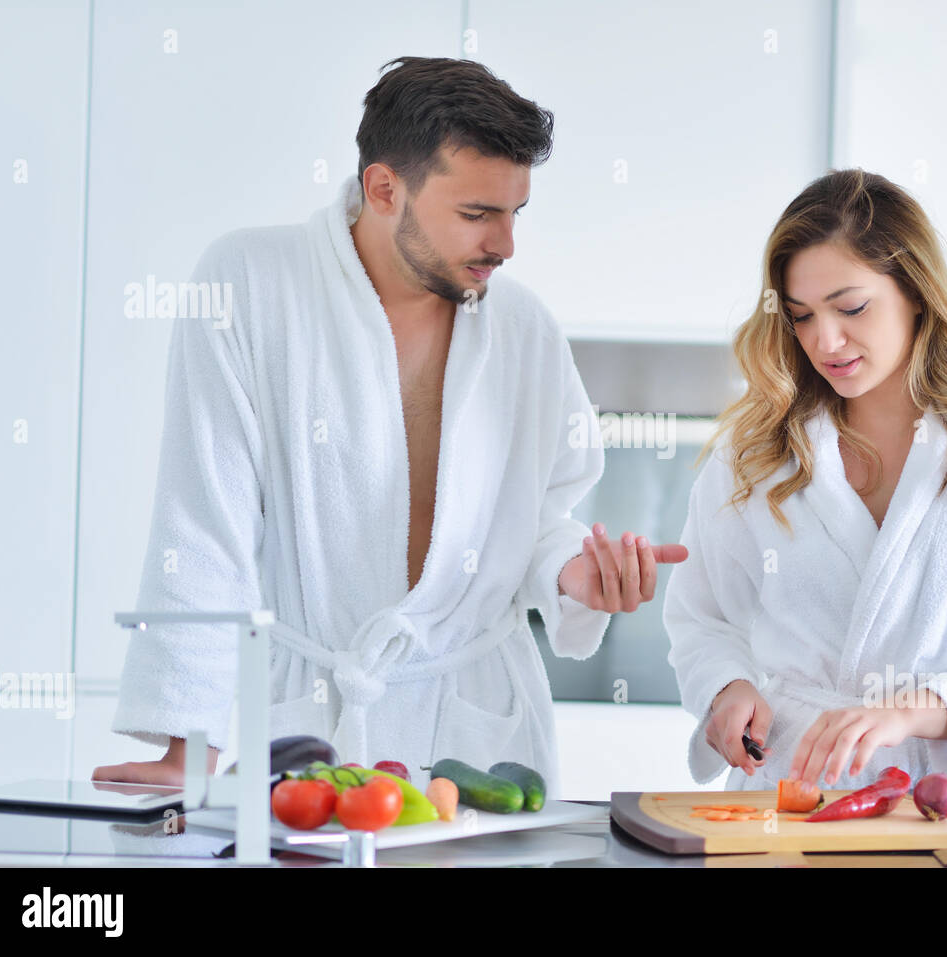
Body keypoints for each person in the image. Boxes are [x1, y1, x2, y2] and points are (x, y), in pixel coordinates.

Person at [93, 56, 685, 798]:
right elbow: (203, 521)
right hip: (310, 718)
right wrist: (191, 741)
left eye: (515, 213)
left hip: (479, 731)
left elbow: (539, 519)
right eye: (477, 214)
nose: (506, 244)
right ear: (383, 189)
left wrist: (575, 574)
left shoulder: (524, 328)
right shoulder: (251, 283)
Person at [663, 168, 947, 810]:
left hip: (936, 802)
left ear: (916, 291)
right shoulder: (752, 454)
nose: (825, 342)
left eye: (852, 307)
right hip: (786, 791)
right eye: (802, 316)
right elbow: (702, 616)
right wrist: (727, 689)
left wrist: (912, 713)